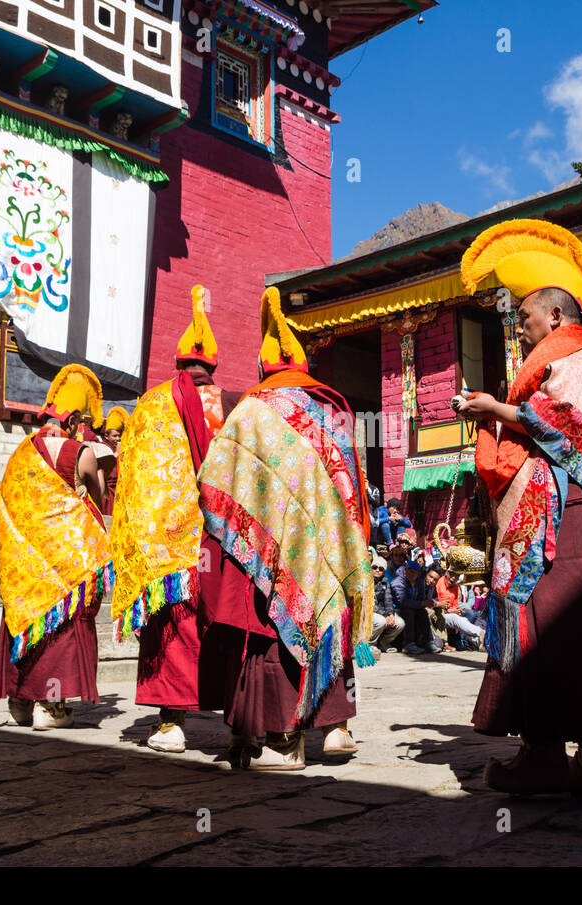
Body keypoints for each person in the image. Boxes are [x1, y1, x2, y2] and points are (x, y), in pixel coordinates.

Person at [456, 218, 582, 800]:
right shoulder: (560, 355)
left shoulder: (578, 352)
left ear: (553, 315)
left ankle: (575, 758)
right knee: (564, 630)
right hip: (562, 517)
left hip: (573, 516)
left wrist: (496, 409)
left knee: (565, 627)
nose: (519, 332)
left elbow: (567, 424)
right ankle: (563, 757)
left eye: (523, 319)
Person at [197, 287, 375, 770]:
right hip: (331, 539)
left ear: (262, 369)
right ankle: (337, 726)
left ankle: (284, 739)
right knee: (328, 604)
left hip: (273, 544)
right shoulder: (334, 409)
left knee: (276, 620)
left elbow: (214, 481)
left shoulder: (251, 411)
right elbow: (351, 483)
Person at [112, 285, 236, 755]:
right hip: (215, 541)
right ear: (212, 367)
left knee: (172, 628)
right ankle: (236, 717)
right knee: (217, 626)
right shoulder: (228, 403)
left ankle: (171, 723)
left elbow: (131, 478)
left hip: (165, 545)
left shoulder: (147, 406)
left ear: (178, 362)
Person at [0, 364, 111, 730]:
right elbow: (99, 498)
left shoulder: (20, 453)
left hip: (25, 562)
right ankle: (51, 706)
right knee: (61, 629)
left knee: (28, 618)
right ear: (74, 419)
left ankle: (20, 702)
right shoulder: (79, 453)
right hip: (65, 565)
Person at [436, 567, 485, 651]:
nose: (454, 577)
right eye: (452, 574)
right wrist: (450, 611)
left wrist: (457, 610)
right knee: (459, 617)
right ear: (446, 573)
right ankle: (481, 633)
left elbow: (456, 603)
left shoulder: (455, 586)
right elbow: (435, 606)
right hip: (439, 615)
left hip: (450, 613)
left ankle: (478, 642)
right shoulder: (439, 584)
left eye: (457, 575)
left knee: (468, 615)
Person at [370, 555, 405, 652]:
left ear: (384, 572)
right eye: (374, 567)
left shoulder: (385, 582)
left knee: (400, 623)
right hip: (369, 611)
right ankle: (370, 644)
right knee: (381, 621)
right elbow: (370, 605)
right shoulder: (367, 581)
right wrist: (385, 615)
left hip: (382, 612)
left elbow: (388, 600)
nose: (377, 570)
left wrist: (390, 615)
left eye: (380, 569)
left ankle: (383, 643)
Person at [99, 407, 128, 516]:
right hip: (106, 494)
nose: (118, 439)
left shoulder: (122, 448)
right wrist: (116, 453)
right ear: (106, 435)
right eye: (114, 436)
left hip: (118, 491)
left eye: (119, 436)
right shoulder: (101, 448)